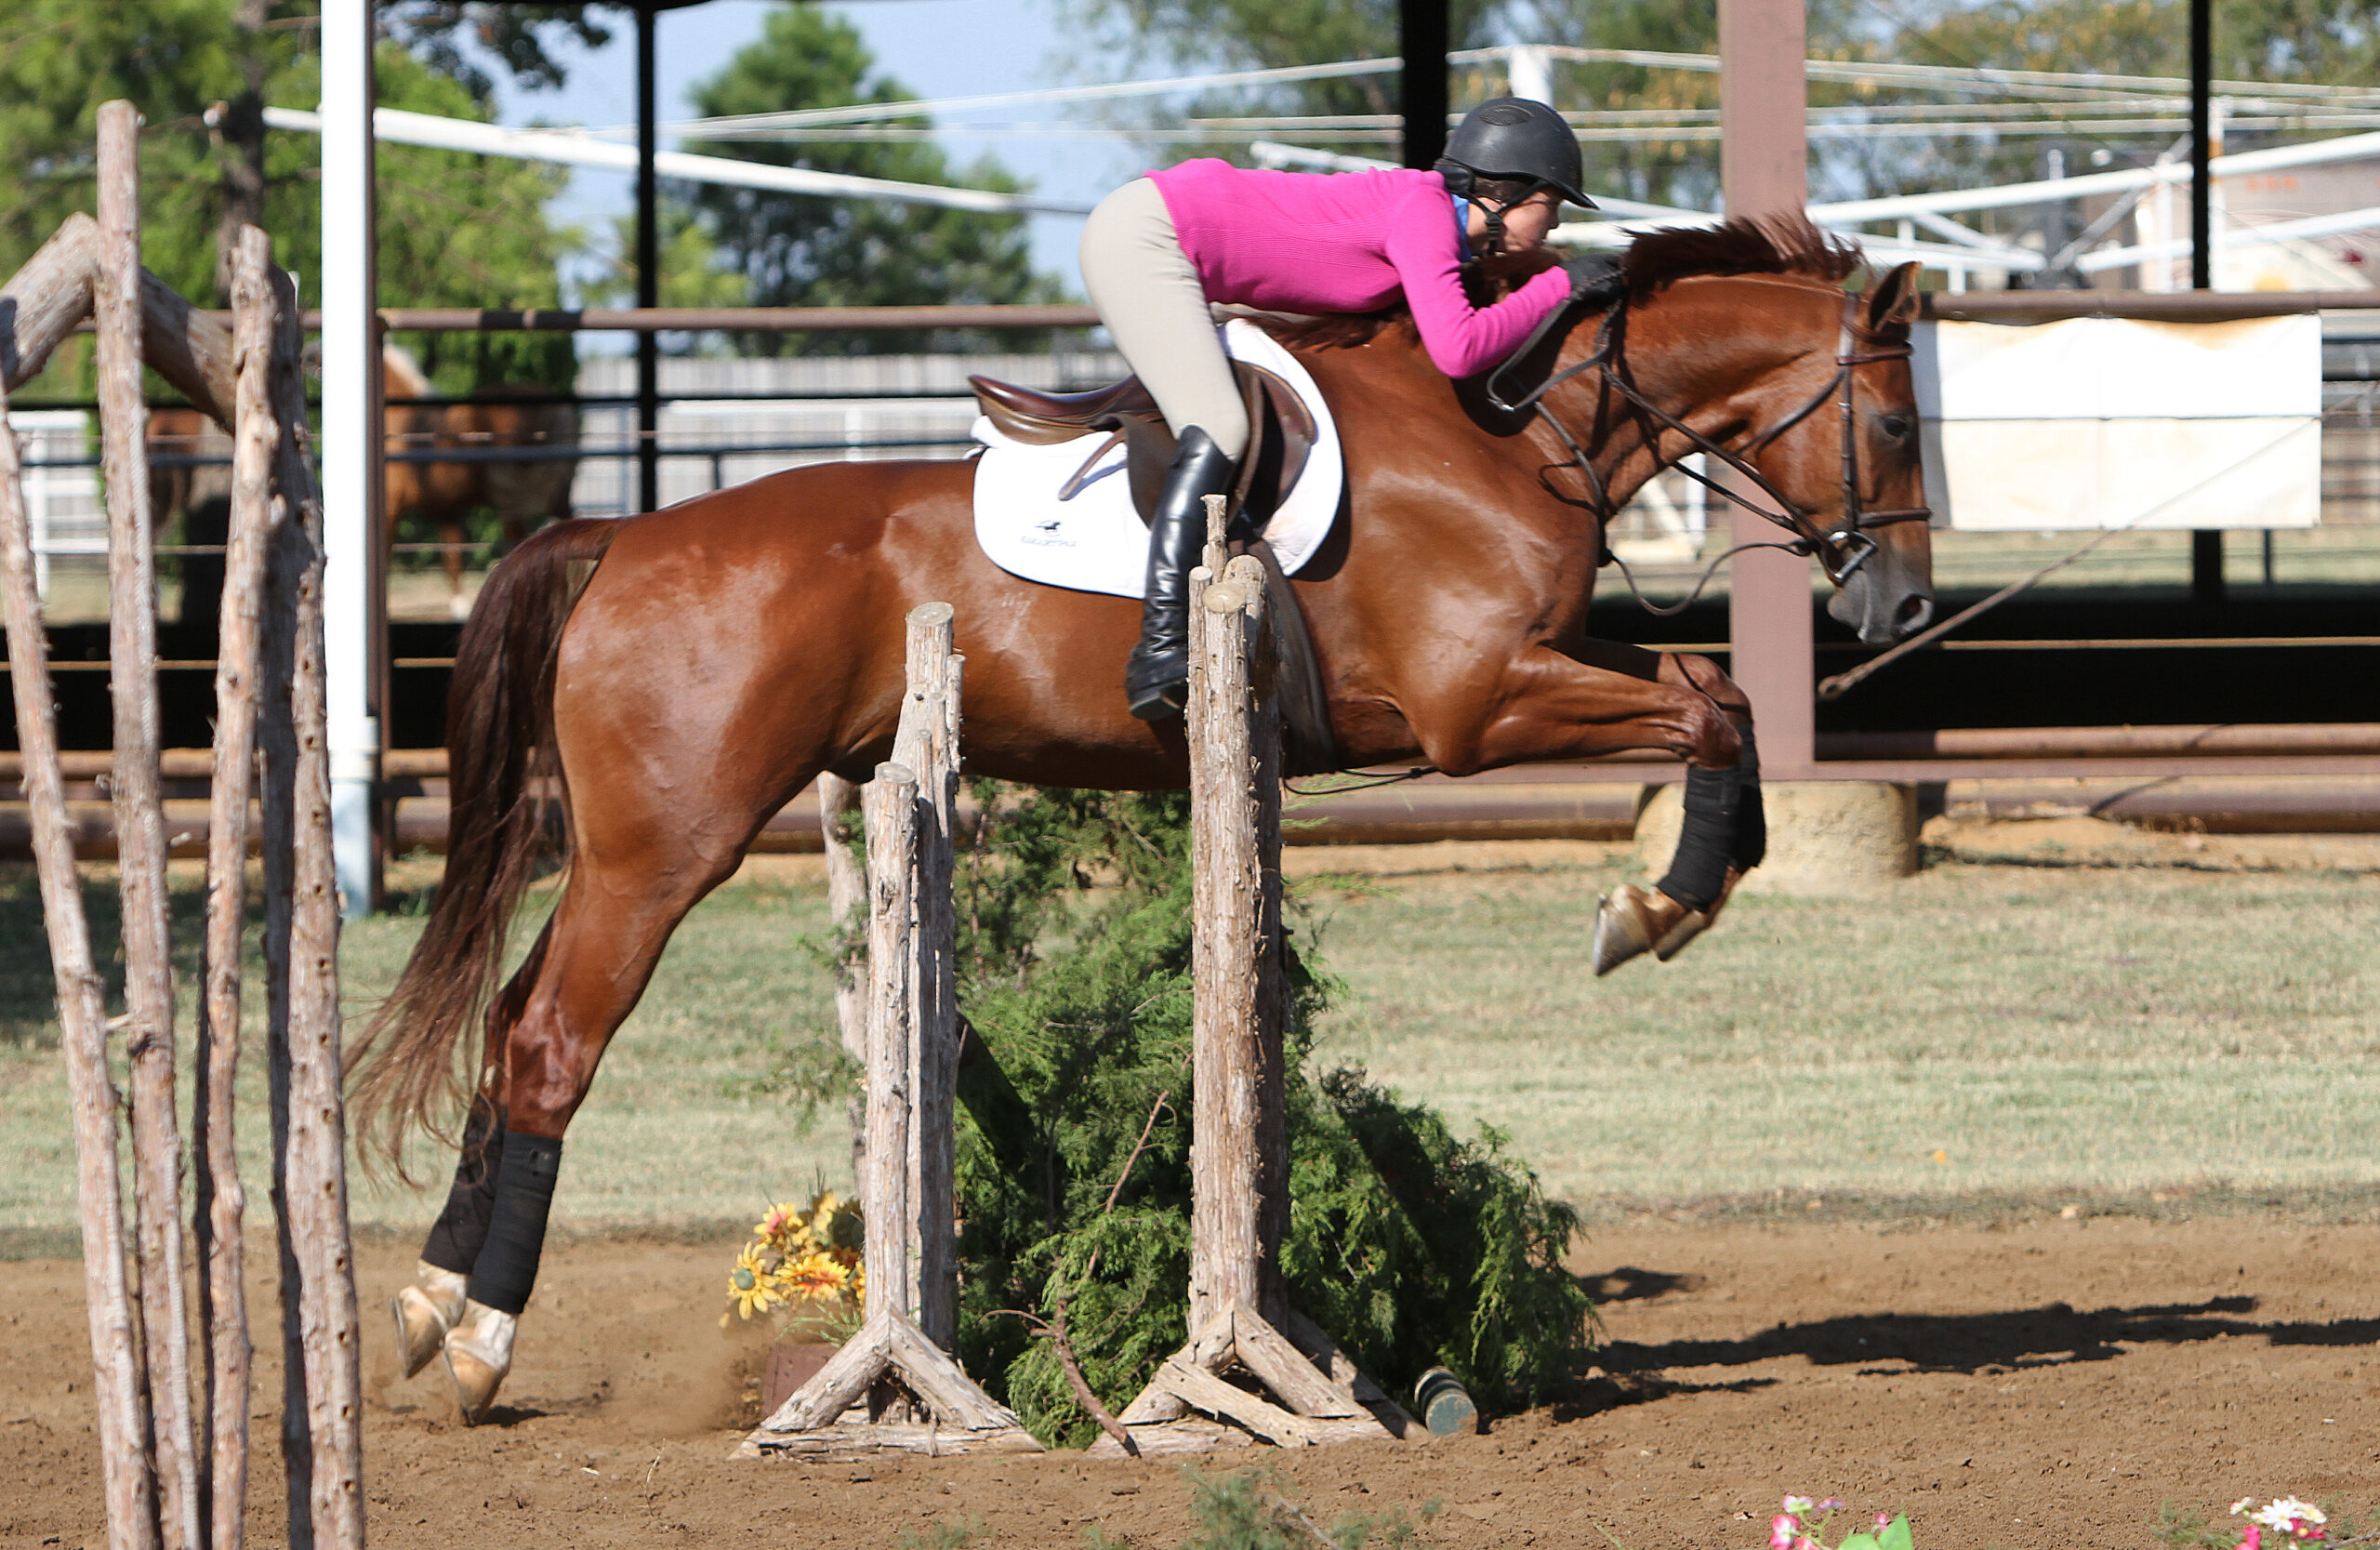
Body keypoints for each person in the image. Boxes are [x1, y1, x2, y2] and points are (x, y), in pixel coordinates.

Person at [1079, 97, 1595, 721]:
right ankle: (1159, 646)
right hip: (1147, 237)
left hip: (1169, 234)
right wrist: (1560, 285)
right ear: (1511, 194)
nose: (1556, 226)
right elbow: (1458, 351)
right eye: (1554, 205)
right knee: (1219, 423)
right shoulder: (1423, 213)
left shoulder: (1427, 217)